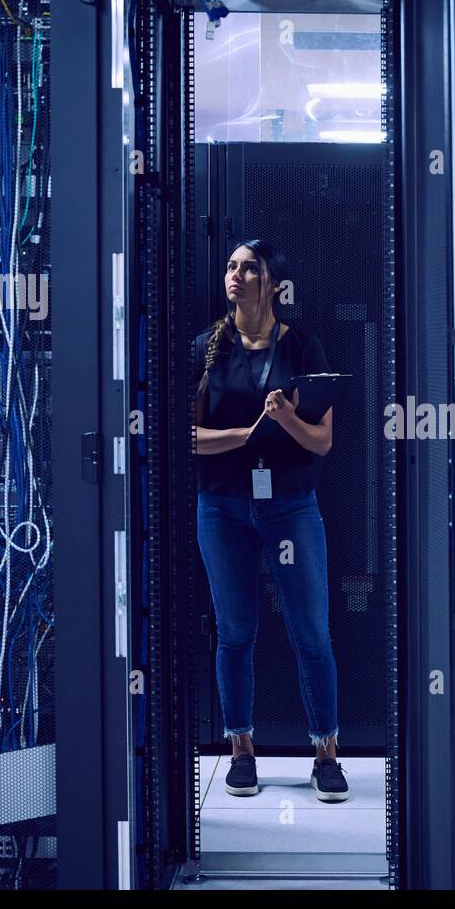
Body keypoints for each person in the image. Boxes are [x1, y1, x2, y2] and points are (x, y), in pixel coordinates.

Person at [191, 238, 348, 802]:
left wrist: (283, 418)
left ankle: (326, 752)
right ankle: (241, 749)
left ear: (272, 283)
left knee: (311, 631)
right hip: (223, 507)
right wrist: (248, 434)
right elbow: (186, 439)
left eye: (248, 267)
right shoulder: (205, 349)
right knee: (235, 632)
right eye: (230, 266)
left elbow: (323, 440)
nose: (234, 275)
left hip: (290, 506)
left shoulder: (305, 348)